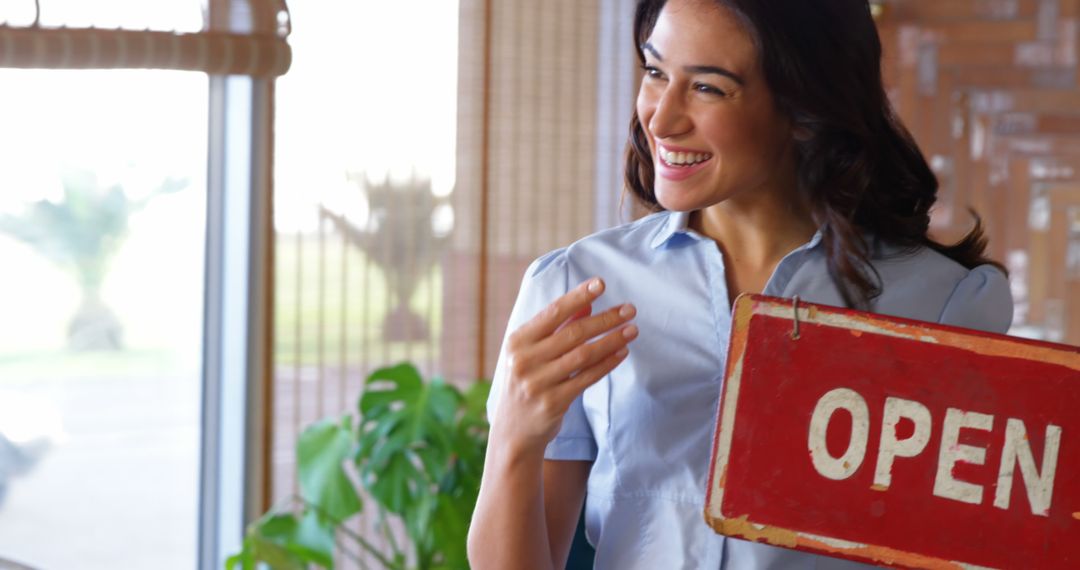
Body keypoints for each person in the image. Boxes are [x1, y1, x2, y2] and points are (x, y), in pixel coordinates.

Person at [466, 0, 1013, 568]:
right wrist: (512, 438)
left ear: (805, 108)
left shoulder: (940, 305)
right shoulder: (577, 286)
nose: (660, 118)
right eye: (655, 72)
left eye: (708, 88)